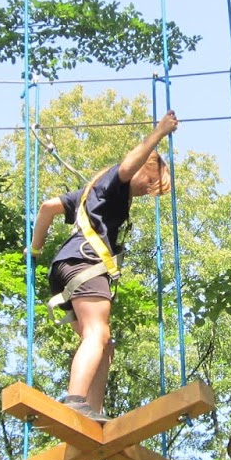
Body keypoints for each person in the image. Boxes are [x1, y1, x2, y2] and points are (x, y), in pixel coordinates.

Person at [30, 112, 178, 421]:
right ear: (145, 166)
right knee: (97, 333)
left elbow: (47, 208)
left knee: (102, 343)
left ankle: (90, 413)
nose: (147, 190)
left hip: (64, 270)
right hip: (86, 264)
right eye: (150, 181)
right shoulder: (117, 182)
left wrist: (35, 249)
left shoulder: (92, 192)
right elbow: (127, 167)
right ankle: (74, 400)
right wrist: (159, 132)